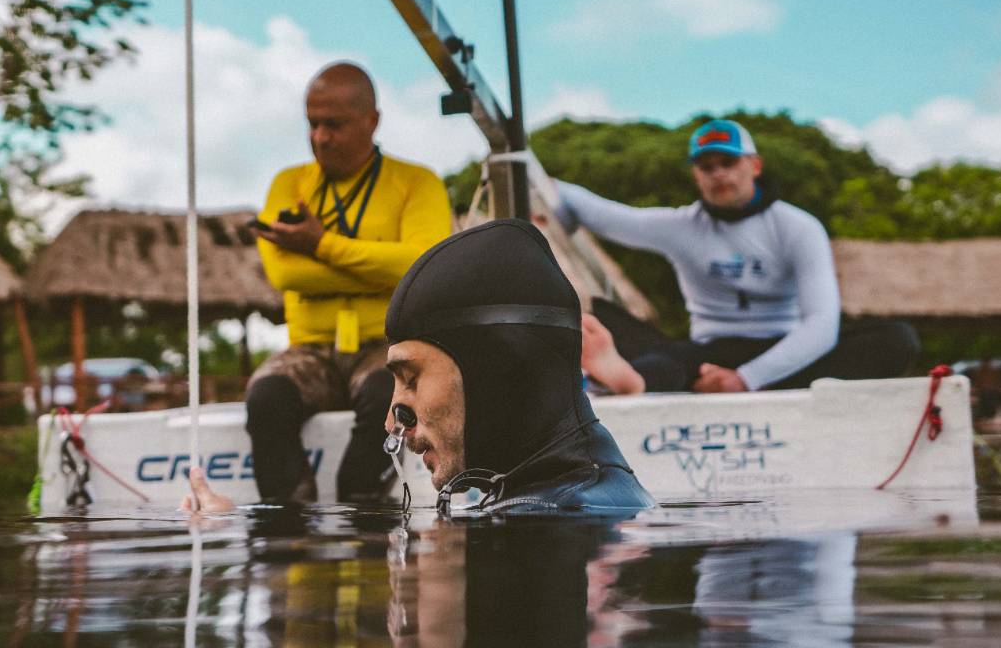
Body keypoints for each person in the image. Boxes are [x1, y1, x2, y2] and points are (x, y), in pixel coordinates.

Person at [187, 219, 655, 515]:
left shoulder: (554, 521)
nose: (391, 419)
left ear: (496, 369)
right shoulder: (567, 498)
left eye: (410, 379)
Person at [556, 118, 918, 394]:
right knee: (643, 341)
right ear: (696, 175)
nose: (718, 175)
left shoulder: (798, 227)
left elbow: (822, 325)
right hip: (709, 351)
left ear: (754, 166)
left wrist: (745, 379)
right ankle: (631, 380)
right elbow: (597, 212)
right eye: (706, 166)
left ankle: (754, 382)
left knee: (896, 339)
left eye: (727, 162)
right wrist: (530, 173)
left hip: (784, 349)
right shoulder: (680, 225)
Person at [245, 61, 451, 504]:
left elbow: (420, 264)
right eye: (312, 124)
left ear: (371, 120)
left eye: (333, 124)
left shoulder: (418, 183)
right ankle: (289, 532)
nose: (320, 137)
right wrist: (378, 265)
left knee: (387, 394)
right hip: (311, 349)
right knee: (267, 397)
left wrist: (319, 245)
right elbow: (285, 273)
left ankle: (361, 514)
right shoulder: (289, 183)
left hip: (387, 344)